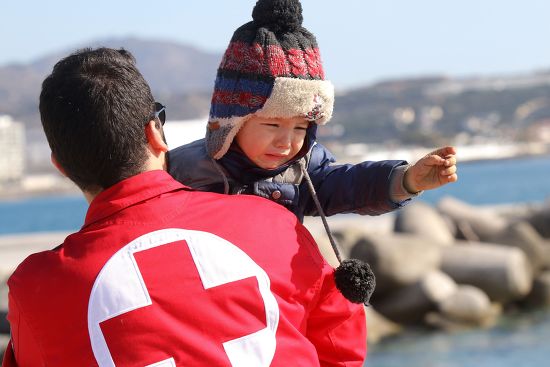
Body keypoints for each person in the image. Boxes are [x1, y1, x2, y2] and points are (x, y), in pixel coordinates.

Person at [1, 48, 366, 367]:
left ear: (60, 166)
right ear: (156, 133)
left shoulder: (35, 289)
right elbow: (339, 340)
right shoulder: (272, 223)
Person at [168, 0, 458, 303]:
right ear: (231, 122)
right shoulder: (183, 170)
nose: (286, 141)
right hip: (206, 300)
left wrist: (407, 180)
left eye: (300, 128)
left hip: (279, 298)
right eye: (271, 125)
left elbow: (350, 185)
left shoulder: (305, 168)